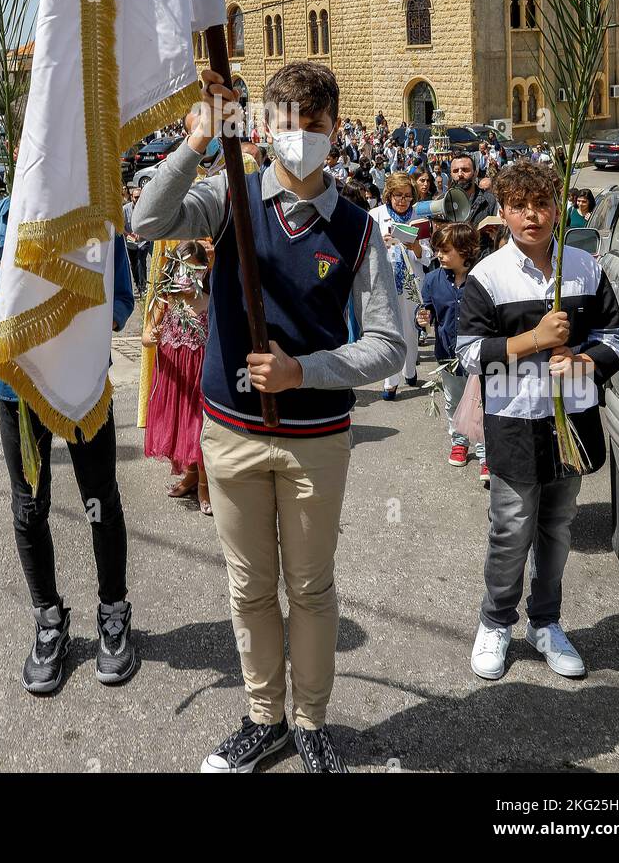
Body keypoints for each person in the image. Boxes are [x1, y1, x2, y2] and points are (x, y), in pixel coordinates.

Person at [133, 62, 405, 774]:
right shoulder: (231, 199)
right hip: (232, 433)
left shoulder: (357, 230)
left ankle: (311, 722)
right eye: (287, 122)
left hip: (316, 440)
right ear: (265, 127)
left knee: (310, 589)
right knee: (249, 587)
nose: (300, 136)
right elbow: (145, 220)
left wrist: (302, 372)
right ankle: (265, 718)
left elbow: (389, 345)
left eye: (314, 125)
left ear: (335, 130)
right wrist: (198, 139)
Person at [456, 160, 619, 682]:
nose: (532, 216)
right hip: (514, 420)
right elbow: (468, 353)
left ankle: (545, 622)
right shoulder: (488, 276)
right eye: (519, 207)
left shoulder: (584, 267)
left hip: (571, 419)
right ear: (503, 212)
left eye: (541, 204)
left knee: (557, 526)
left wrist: (584, 361)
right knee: (511, 528)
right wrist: (534, 340)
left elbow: (616, 337)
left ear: (557, 207)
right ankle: (496, 621)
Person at [0, 193, 138, 694]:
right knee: (29, 508)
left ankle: (113, 613)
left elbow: (121, 302)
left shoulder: (100, 221)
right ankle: (49, 621)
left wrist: (79, 307)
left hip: (83, 384)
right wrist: (12, 293)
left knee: (100, 501)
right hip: (19, 391)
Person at [143, 240, 213, 515]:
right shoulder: (167, 300)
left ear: (204, 271)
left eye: (195, 270)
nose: (187, 276)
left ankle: (205, 485)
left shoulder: (210, 301)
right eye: (183, 269)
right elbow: (146, 337)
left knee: (198, 428)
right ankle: (191, 476)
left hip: (199, 376)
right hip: (174, 377)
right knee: (182, 428)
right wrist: (153, 336)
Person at [417, 222, 487, 481]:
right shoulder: (433, 280)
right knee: (453, 401)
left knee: (481, 403)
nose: (439, 255)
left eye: (445, 251)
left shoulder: (483, 277)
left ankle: (486, 453)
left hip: (479, 354)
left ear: (465, 250)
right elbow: (426, 311)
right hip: (447, 353)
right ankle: (459, 441)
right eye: (437, 250)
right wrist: (422, 318)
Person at [371, 171, 432, 399]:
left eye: (407, 195)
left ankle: (410, 369)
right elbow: (366, 249)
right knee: (391, 330)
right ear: (389, 194)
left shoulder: (419, 218)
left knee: (411, 329)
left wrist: (415, 246)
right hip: (385, 281)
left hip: (411, 283)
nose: (403, 200)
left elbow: (428, 256)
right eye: (398, 195)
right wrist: (381, 244)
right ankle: (391, 381)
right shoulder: (375, 215)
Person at [449, 153, 498, 241]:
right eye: (455, 171)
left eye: (465, 170)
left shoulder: (489, 200)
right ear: (451, 174)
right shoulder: (444, 202)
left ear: (475, 173)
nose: (460, 174)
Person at [124, 184, 152, 296]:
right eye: (136, 197)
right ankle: (137, 285)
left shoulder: (147, 208)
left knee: (141, 261)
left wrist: (141, 234)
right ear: (131, 197)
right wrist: (128, 235)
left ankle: (143, 287)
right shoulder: (125, 209)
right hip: (130, 242)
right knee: (134, 264)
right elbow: (120, 226)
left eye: (140, 197)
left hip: (144, 240)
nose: (138, 199)